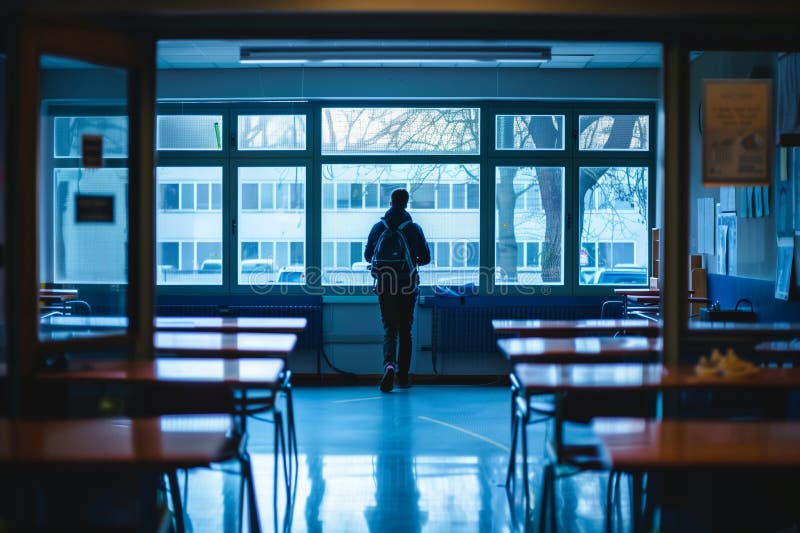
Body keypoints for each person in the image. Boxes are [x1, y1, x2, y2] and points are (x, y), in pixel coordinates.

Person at [364, 188, 431, 392]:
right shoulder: (414, 229)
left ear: (390, 202)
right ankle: (402, 377)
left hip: (385, 286)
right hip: (407, 286)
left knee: (389, 329)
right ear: (406, 203)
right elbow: (426, 258)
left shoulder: (379, 227)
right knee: (405, 330)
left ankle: (389, 366)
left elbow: (368, 256)